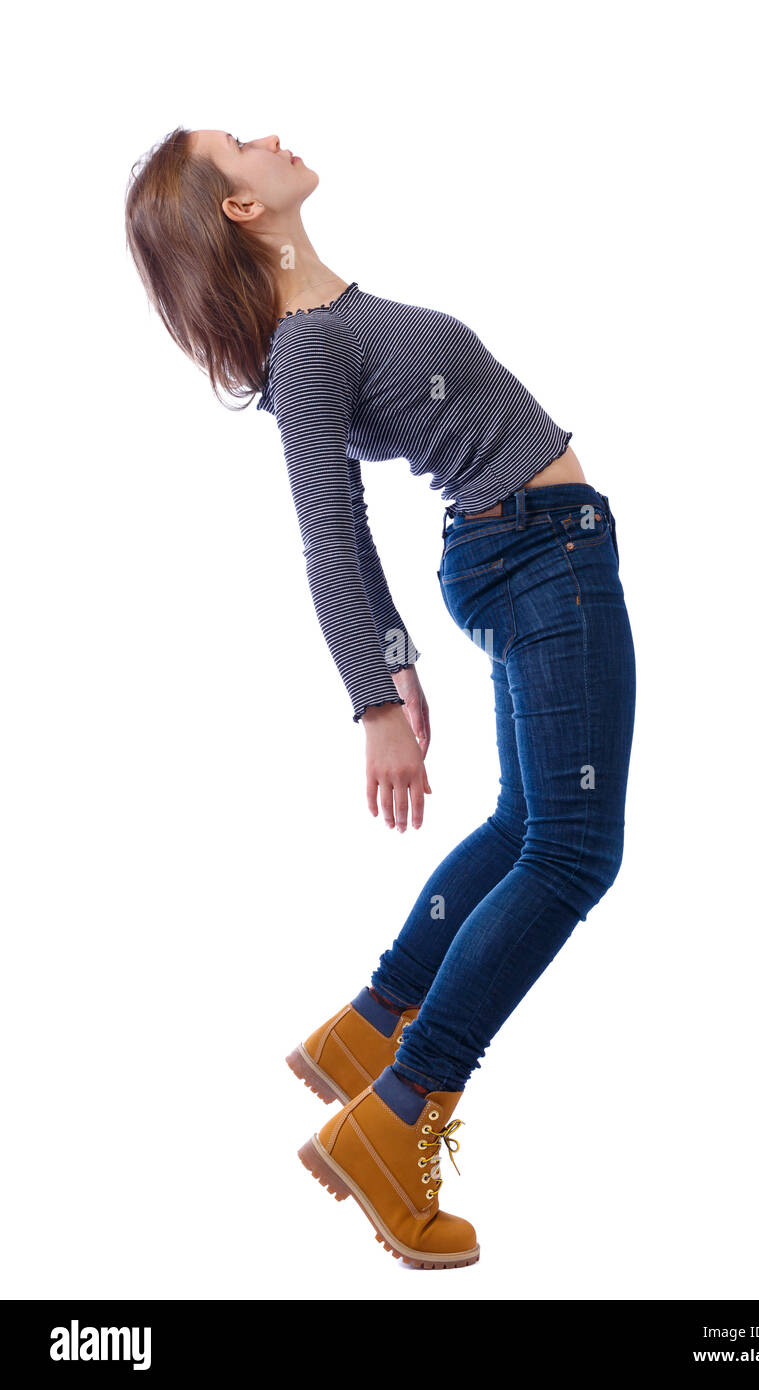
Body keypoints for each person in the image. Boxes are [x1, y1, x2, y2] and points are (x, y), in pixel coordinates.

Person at [125, 128, 636, 1270]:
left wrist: (397, 653)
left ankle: (372, 1028)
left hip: (529, 551)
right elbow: (327, 534)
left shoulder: (327, 321)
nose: (269, 137)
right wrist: (371, 698)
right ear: (242, 211)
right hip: (541, 558)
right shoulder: (308, 350)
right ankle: (401, 1105)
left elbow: (351, 526)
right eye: (239, 146)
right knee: (571, 852)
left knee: (528, 829)